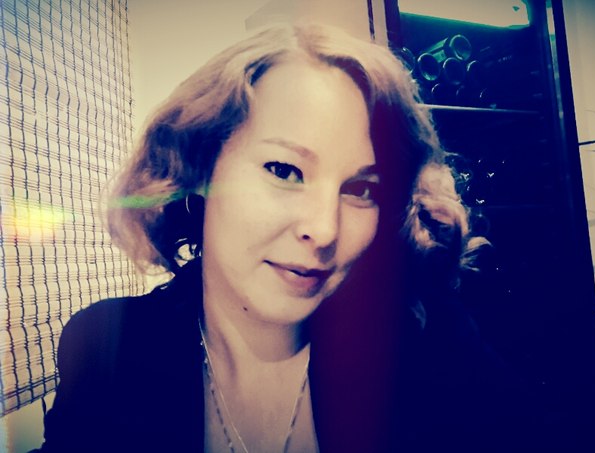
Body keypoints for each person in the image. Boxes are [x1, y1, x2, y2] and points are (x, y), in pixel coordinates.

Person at [31, 22, 506, 453]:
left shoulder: (427, 345)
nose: (324, 229)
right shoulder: (109, 350)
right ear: (201, 170)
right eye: (284, 170)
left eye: (361, 189)